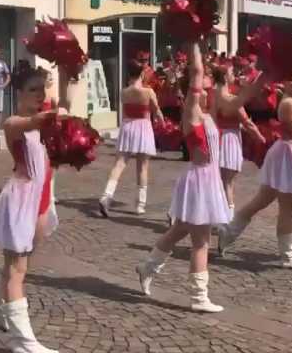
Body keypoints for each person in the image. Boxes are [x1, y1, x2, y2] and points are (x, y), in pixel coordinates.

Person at [135, 41, 246, 313]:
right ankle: (199, 296)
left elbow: (241, 99)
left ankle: (146, 266)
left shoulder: (208, 113)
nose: (208, 91)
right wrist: (194, 38)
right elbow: (195, 74)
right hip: (199, 180)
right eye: (204, 88)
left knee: (179, 230)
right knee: (201, 241)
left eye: (209, 88)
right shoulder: (191, 110)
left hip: (206, 178)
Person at [0, 60, 62, 352]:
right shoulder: (13, 123)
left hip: (42, 197)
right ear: (18, 92)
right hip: (20, 200)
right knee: (17, 270)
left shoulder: (43, 117)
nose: (41, 94)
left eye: (43, 88)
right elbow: (37, 122)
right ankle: (24, 343)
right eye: (33, 89)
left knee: (16, 265)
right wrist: (58, 111)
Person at [218, 66, 292, 269]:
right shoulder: (288, 104)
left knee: (262, 200)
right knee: (287, 208)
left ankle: (229, 231)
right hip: (288, 156)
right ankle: (287, 255)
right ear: (283, 83)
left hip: (291, 154)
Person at [99, 59, 163, 216]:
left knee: (119, 164)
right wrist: (161, 120)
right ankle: (140, 204)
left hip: (128, 126)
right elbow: (157, 111)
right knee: (142, 166)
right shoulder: (148, 92)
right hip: (143, 126)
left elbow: (126, 110)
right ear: (142, 73)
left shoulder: (124, 92)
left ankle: (107, 195)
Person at [211, 64, 265, 213]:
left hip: (219, 136)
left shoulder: (214, 95)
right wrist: (261, 138)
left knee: (223, 180)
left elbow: (213, 118)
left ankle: (222, 213)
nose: (234, 75)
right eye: (231, 73)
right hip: (230, 139)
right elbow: (248, 123)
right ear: (224, 77)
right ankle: (228, 216)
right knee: (228, 181)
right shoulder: (231, 99)